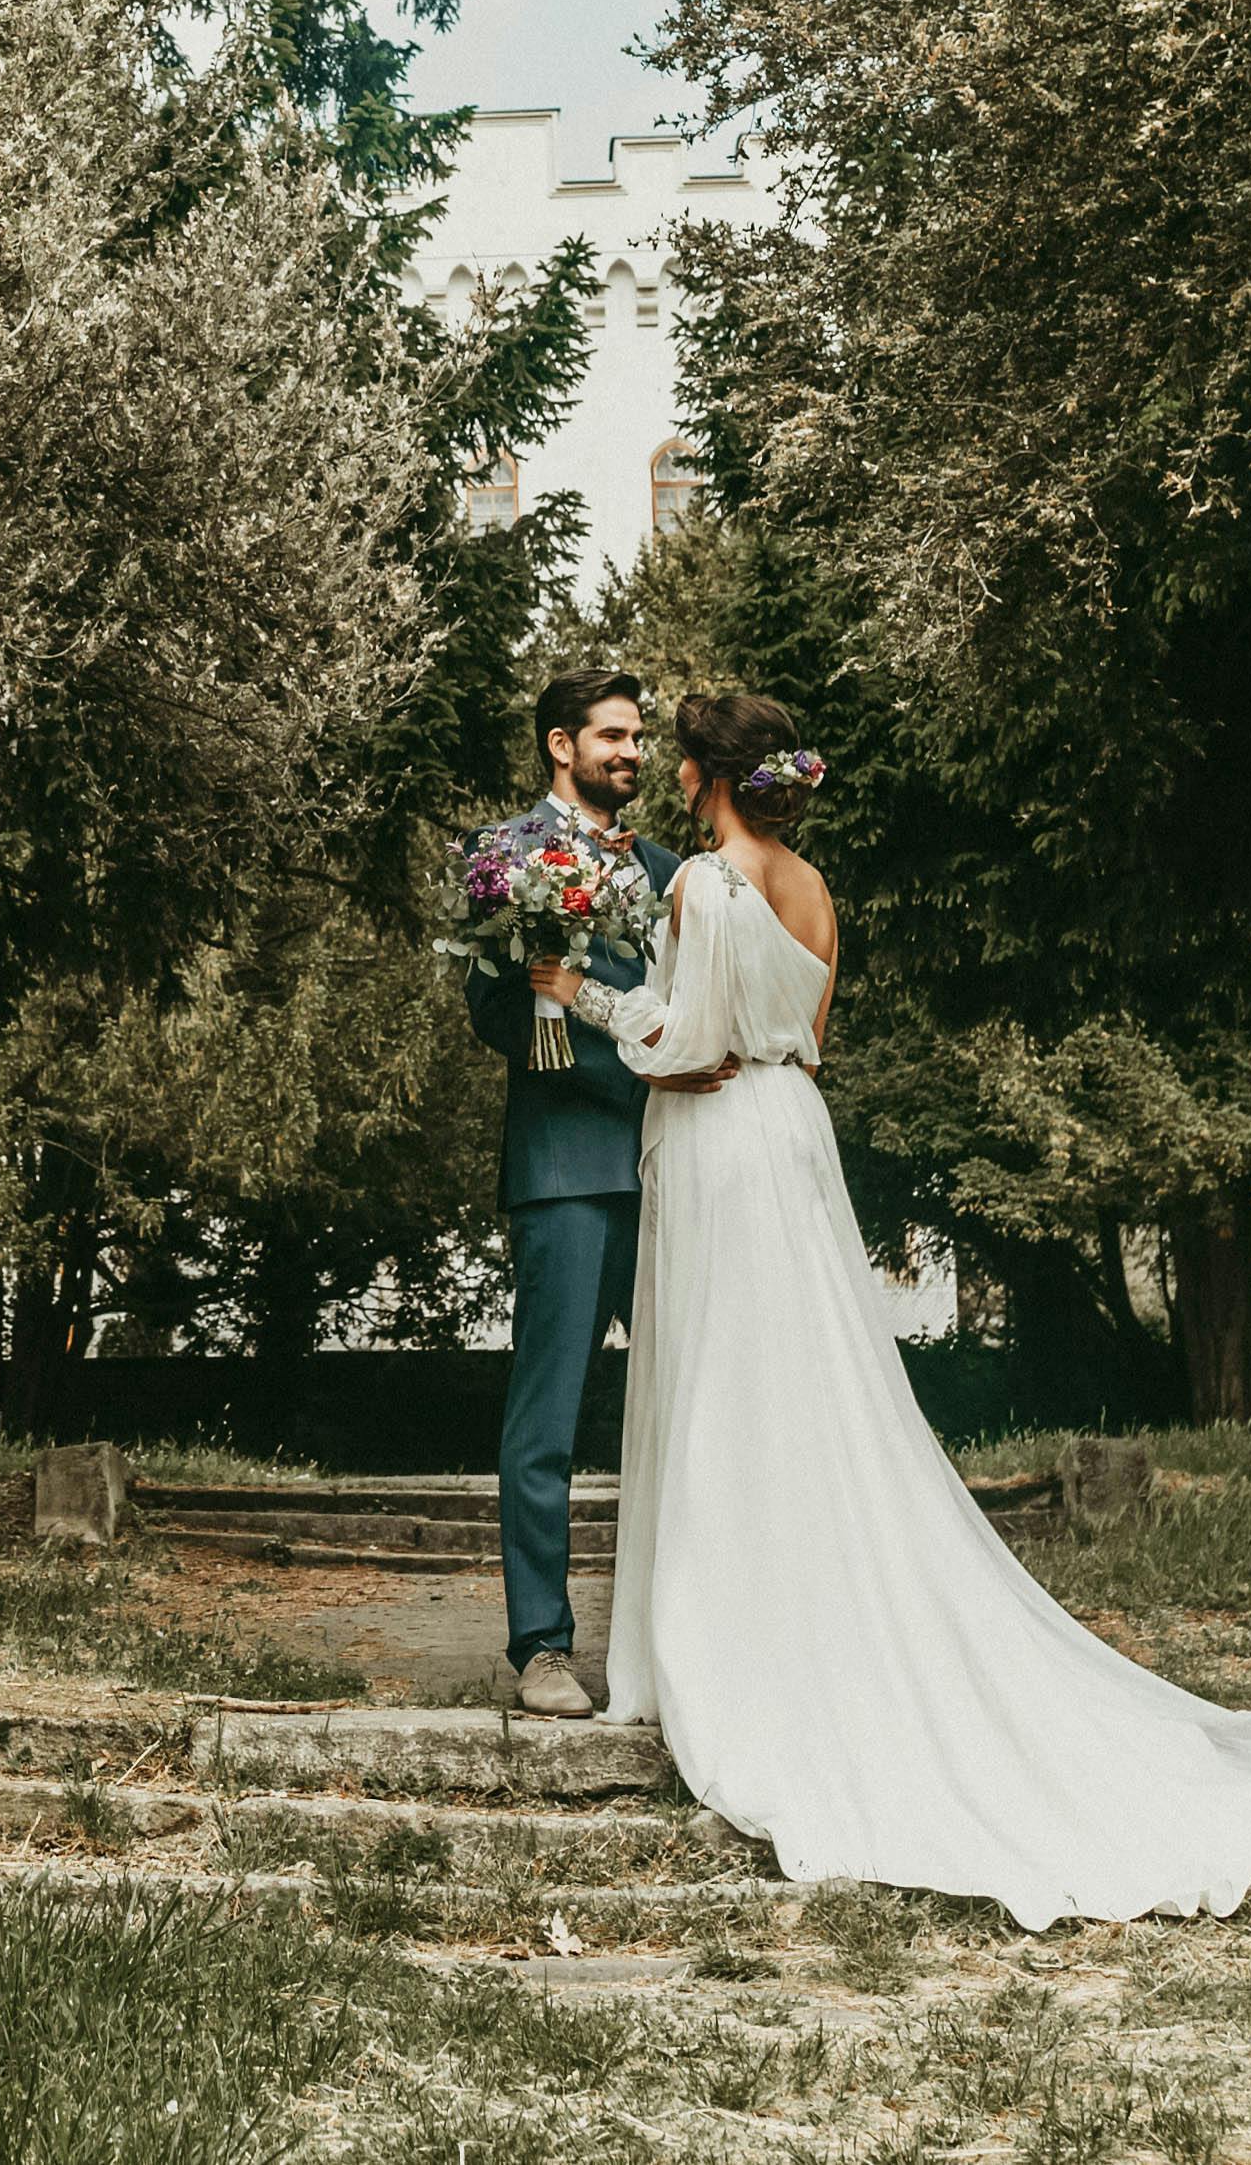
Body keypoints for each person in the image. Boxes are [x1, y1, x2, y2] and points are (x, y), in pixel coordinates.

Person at [528, 690, 1251, 1928]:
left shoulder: (697, 884)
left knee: (728, 1386)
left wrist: (573, 991)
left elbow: (683, 1048)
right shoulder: (814, 885)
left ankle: (733, 1645)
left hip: (720, 1142)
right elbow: (802, 1034)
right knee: (809, 1385)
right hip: (794, 1135)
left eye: (680, 760)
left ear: (702, 774)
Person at [464, 668, 738, 1717]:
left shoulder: (672, 868)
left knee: (688, 1405)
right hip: (565, 1171)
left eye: (636, 736)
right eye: (611, 734)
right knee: (548, 1417)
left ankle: (686, 1646)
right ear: (558, 745)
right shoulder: (505, 856)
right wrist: (610, 1061)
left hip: (675, 1165)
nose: (629, 750)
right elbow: (494, 1009)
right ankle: (540, 1646)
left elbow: (688, 1003)